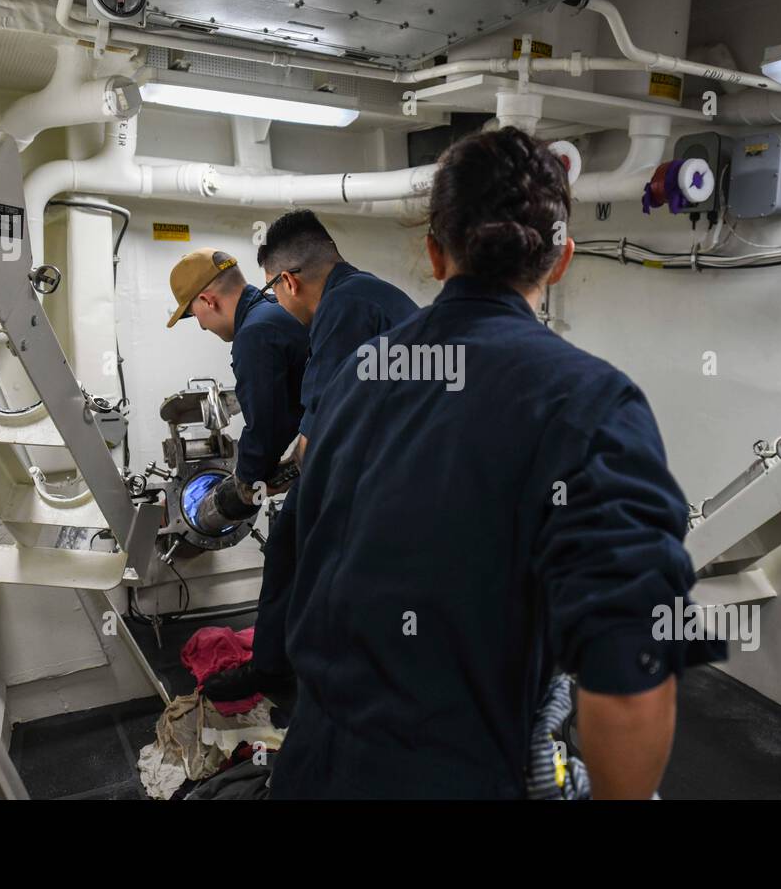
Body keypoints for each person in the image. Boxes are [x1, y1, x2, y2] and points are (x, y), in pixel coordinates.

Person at [271, 127, 725, 799]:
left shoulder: (361, 374)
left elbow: (306, 551)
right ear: (561, 258)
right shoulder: (590, 402)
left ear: (434, 253)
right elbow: (630, 676)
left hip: (308, 767)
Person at [205, 210, 418, 703]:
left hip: (389, 473)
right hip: (400, 459)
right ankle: (292, 669)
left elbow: (314, 437)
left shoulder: (340, 309)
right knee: (295, 547)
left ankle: (294, 680)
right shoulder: (373, 294)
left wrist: (255, 480)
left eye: (272, 288)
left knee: (296, 551)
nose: (275, 301)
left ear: (288, 281)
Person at [166, 248, 308, 703]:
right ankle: (283, 666)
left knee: (289, 560)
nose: (202, 327)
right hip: (341, 455)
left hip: (339, 464)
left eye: (195, 316)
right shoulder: (274, 313)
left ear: (208, 300)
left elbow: (267, 426)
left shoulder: (255, 334)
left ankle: (277, 674)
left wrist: (245, 485)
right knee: (292, 560)